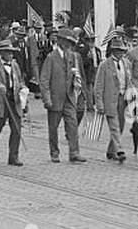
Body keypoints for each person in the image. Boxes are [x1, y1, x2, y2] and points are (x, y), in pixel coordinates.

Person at [39, 28, 86, 163]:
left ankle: (74, 152)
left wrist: (81, 93)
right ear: (59, 41)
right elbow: (44, 80)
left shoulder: (72, 57)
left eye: (70, 42)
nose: (68, 45)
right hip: (55, 99)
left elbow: (78, 76)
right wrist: (47, 98)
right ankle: (54, 152)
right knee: (53, 127)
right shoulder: (51, 57)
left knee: (72, 124)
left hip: (69, 97)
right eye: (66, 41)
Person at [95, 34, 132, 163]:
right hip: (110, 99)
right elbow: (98, 86)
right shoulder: (104, 65)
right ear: (113, 51)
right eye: (118, 50)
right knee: (114, 126)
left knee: (120, 126)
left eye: (122, 51)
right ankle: (119, 150)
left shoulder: (126, 64)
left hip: (122, 99)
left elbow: (129, 81)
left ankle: (111, 150)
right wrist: (99, 104)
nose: (120, 53)